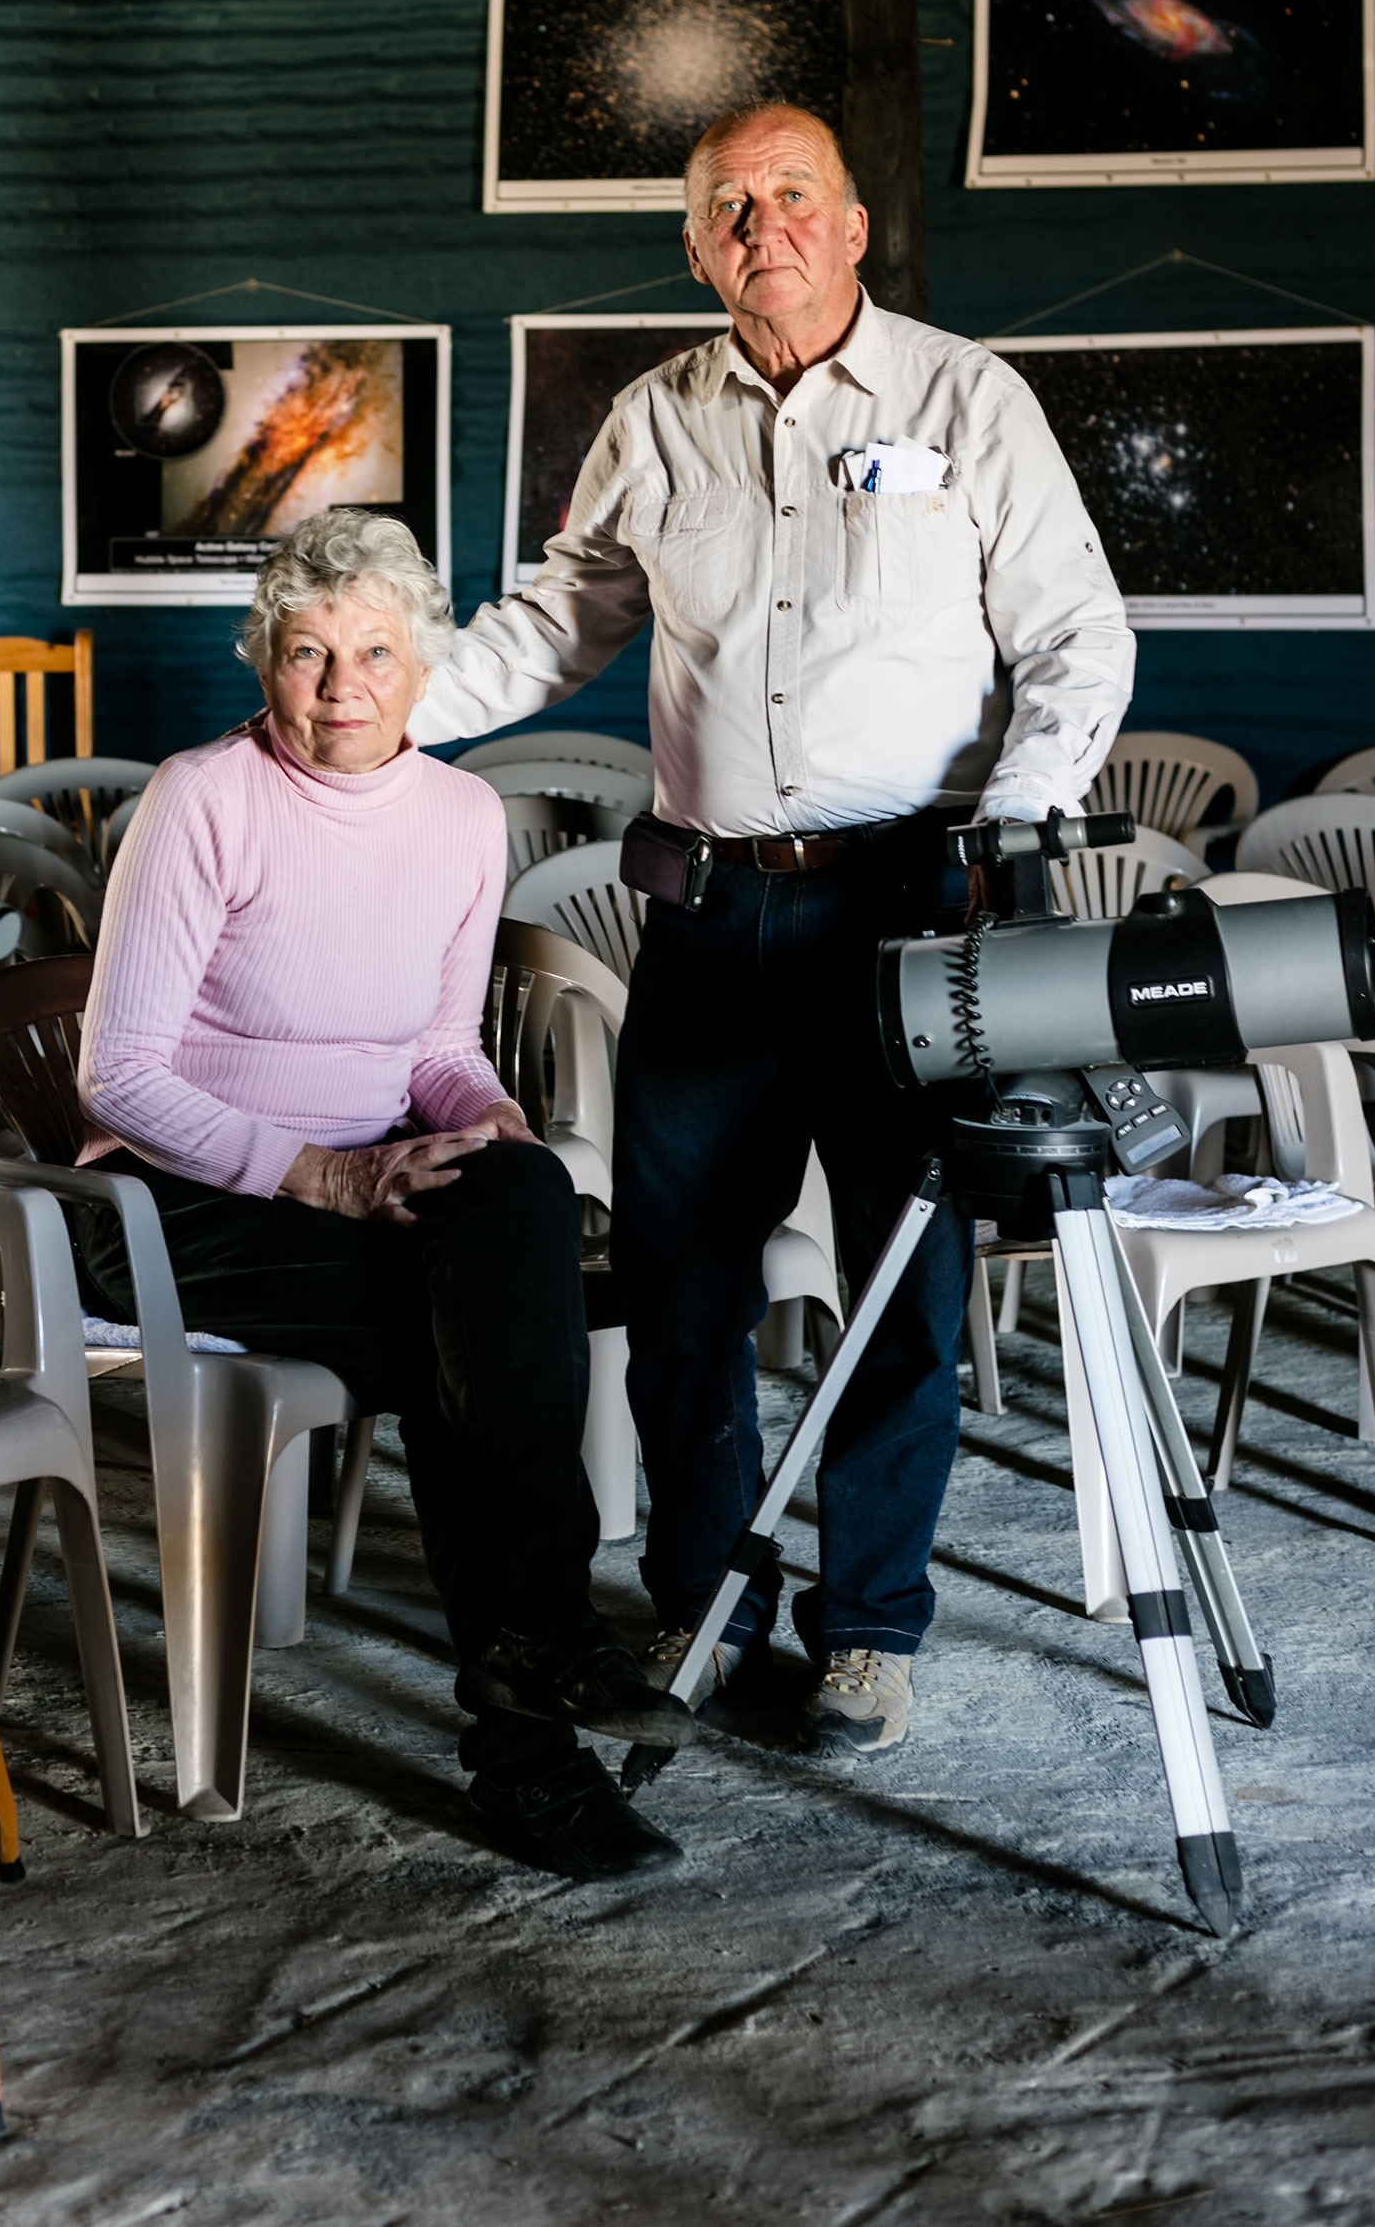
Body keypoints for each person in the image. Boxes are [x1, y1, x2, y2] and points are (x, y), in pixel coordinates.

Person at [410, 103, 1133, 1756]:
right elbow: (554, 625)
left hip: (909, 911)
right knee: (682, 1292)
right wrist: (380, 709)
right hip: (712, 913)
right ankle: (705, 1604)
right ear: (694, 248)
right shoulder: (653, 420)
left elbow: (1077, 637)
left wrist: (1015, 820)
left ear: (853, 226)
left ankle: (868, 1630)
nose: (764, 226)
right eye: (729, 205)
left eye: (794, 194)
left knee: (900, 1283)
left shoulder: (966, 399)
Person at [72, 505, 692, 1877]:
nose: (341, 686)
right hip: (178, 1202)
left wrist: (489, 1120)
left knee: (522, 1193)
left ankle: (534, 1662)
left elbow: (436, 1051)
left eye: (374, 653)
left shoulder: (463, 816)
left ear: (425, 668)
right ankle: (535, 1728)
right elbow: (119, 1077)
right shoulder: (202, 796)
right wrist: (323, 1175)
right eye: (306, 652)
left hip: (374, 1185)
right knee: (487, 1325)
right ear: (265, 662)